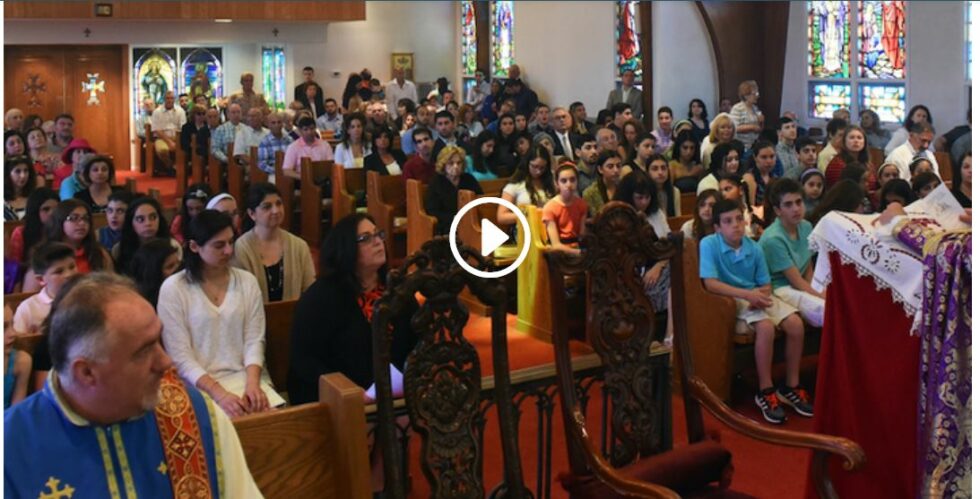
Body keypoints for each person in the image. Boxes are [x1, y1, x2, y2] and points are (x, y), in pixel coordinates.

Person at [4, 272, 263, 498]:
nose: (167, 363)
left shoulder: (196, 415)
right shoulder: (12, 446)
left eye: (157, 340)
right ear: (86, 373)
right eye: (144, 351)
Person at [158, 210, 284, 417]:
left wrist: (252, 385)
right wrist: (220, 394)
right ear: (194, 246)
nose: (228, 251)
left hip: (245, 376)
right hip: (197, 384)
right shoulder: (174, 288)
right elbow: (180, 356)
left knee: (271, 426)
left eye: (230, 242)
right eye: (218, 245)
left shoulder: (246, 282)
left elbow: (254, 339)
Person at [699, 198, 811, 424]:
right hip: (729, 300)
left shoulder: (754, 247)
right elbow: (710, 283)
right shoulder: (709, 244)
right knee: (766, 327)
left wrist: (759, 295)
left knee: (796, 325)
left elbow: (766, 283)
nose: (736, 225)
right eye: (728, 221)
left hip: (755, 296)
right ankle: (765, 390)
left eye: (739, 219)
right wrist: (747, 295)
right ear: (717, 228)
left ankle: (791, 386)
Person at [288, 213, 418, 404]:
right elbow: (305, 361)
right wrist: (346, 392)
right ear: (345, 249)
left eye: (377, 234)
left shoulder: (396, 289)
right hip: (340, 401)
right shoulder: (321, 298)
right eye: (365, 238)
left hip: (395, 397)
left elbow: (417, 340)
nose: (377, 242)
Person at [759, 179, 825, 328]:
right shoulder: (773, 238)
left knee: (838, 300)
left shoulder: (806, 226)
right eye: (788, 205)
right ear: (777, 210)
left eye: (799, 202)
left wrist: (816, 288)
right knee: (825, 309)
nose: (796, 209)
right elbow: (795, 280)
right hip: (780, 289)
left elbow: (807, 267)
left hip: (799, 283)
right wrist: (819, 295)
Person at [234, 183, 316, 302]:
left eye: (279, 203)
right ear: (252, 214)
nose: (276, 210)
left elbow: (310, 289)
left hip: (293, 316)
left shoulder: (299, 245)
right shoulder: (243, 247)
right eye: (267, 207)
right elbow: (240, 295)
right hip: (256, 317)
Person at [614, 172, 671, 314]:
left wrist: (658, 266)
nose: (644, 202)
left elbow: (669, 245)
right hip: (631, 274)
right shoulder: (617, 217)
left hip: (658, 268)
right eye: (639, 198)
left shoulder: (656, 214)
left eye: (648, 197)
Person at [13, 242, 77, 336]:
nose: (69, 274)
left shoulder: (88, 298)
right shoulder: (29, 308)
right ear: (41, 279)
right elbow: (19, 344)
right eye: (59, 271)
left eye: (72, 267)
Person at [113, 196, 178, 276]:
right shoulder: (118, 250)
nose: (148, 223)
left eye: (153, 217)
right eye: (140, 219)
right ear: (131, 223)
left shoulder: (172, 245)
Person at [425, 146, 482, 235]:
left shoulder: (469, 179)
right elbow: (432, 211)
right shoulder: (436, 182)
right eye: (451, 163)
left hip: (470, 222)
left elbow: (480, 199)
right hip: (446, 226)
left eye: (459, 163)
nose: (455, 167)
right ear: (443, 165)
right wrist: (455, 218)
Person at [543, 163, 589, 255]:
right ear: (557, 184)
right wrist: (578, 252)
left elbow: (582, 235)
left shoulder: (582, 204)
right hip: (560, 252)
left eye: (572, 180)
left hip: (577, 246)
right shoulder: (550, 207)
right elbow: (555, 244)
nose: (569, 184)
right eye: (564, 181)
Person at [7, 188, 58, 265]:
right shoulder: (21, 232)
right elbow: (15, 265)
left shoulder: (64, 229)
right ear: (35, 211)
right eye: (46, 209)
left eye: (56, 209)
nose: (52, 213)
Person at [129, 238, 182, 308]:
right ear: (153, 273)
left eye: (179, 263)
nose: (179, 269)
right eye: (170, 266)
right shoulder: (141, 305)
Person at [281, 116, 334, 180]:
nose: (309, 132)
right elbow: (286, 171)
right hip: (302, 180)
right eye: (305, 129)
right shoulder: (293, 147)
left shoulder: (325, 145)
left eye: (312, 129)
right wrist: (304, 177)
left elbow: (331, 165)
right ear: (300, 131)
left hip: (323, 179)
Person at [824, 125, 874, 190]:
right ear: (844, 141)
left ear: (864, 142)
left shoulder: (868, 164)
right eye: (852, 137)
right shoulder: (837, 164)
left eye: (859, 138)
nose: (856, 141)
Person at [151, 91, 187, 173]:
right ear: (164, 99)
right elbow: (157, 130)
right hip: (162, 138)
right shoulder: (157, 112)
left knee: (185, 148)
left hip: (177, 137)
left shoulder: (180, 111)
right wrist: (169, 142)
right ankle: (171, 167)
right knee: (162, 150)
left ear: (174, 99)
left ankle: (181, 168)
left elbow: (183, 127)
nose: (169, 100)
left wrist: (176, 141)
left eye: (171, 98)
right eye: (167, 98)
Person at [3, 304, 30, 409]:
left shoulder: (21, 362)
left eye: (12, 324)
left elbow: (16, 412)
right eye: (3, 328)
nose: (12, 333)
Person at [582, 150, 622, 216]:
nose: (616, 170)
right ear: (600, 169)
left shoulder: (625, 187)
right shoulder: (590, 193)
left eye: (618, 166)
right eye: (610, 166)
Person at [255, 111, 293, 179]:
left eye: (279, 122)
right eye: (273, 123)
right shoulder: (265, 142)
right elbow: (261, 164)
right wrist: (276, 171)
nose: (277, 125)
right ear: (268, 125)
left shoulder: (289, 140)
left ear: (282, 124)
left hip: (290, 171)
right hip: (273, 173)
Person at [744, 140, 782, 207]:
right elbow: (750, 207)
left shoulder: (775, 177)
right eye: (764, 157)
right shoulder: (749, 178)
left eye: (772, 156)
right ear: (755, 158)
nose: (769, 161)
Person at [730, 80, 764, 148]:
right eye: (754, 94)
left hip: (754, 144)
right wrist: (752, 127)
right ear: (745, 95)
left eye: (757, 93)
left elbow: (759, 129)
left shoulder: (755, 108)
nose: (757, 96)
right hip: (741, 145)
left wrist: (762, 122)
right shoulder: (737, 108)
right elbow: (734, 128)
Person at [4, 156, 37, 221]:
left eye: (26, 171)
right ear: (7, 174)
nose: (23, 176)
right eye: (17, 171)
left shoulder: (35, 198)